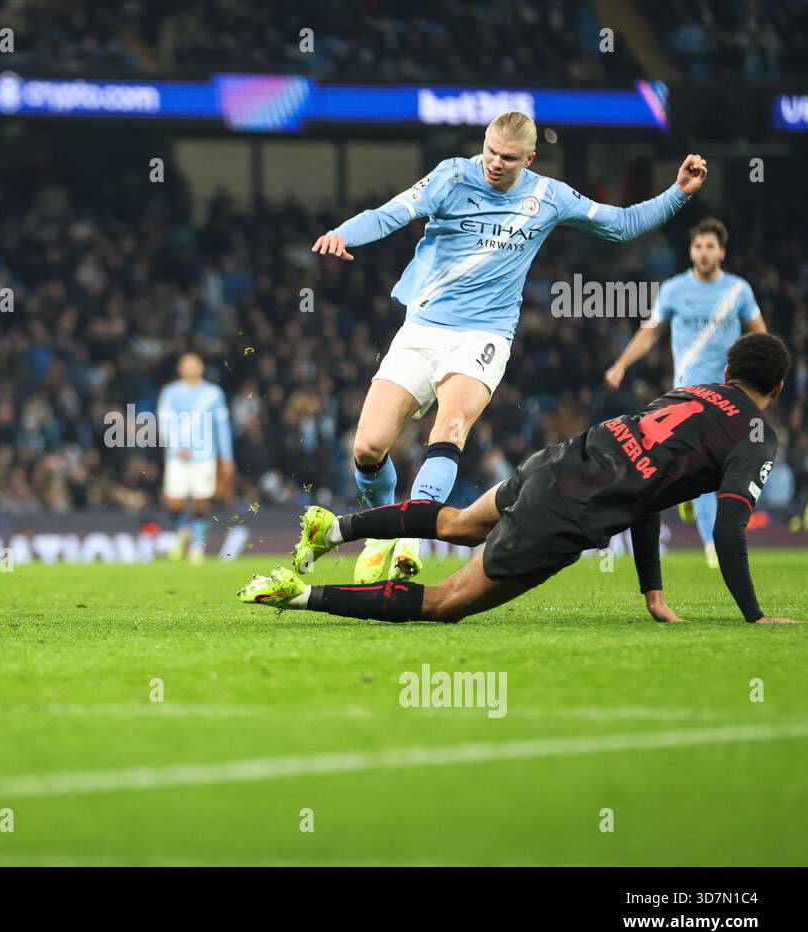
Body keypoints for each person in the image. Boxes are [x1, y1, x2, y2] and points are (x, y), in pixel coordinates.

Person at [312, 111, 707, 585]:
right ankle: (383, 531)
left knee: (451, 426)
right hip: (421, 328)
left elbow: (621, 224)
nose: (495, 163)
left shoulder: (548, 196)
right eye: (491, 151)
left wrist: (678, 192)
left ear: (530, 159)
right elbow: (389, 214)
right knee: (368, 446)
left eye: (508, 158)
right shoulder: (451, 177)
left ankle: (409, 541)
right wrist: (342, 234)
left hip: (483, 336)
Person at [240, 333, 796, 626]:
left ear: (726, 372)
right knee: (444, 602)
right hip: (571, 510)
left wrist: (653, 592)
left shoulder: (691, 393)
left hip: (559, 459)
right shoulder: (754, 435)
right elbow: (727, 529)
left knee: (457, 522)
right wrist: (754, 612)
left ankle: (334, 530)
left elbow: (648, 487)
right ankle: (302, 595)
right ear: (775, 391)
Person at [604, 217, 766, 569]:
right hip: (689, 394)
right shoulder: (674, 290)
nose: (704, 253)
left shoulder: (739, 290)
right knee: (709, 464)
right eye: (698, 246)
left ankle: (697, 512)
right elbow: (650, 333)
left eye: (710, 247)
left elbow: (759, 333)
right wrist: (621, 364)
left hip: (729, 393)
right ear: (691, 251)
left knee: (721, 467)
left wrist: (765, 376)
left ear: (721, 252)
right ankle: (711, 540)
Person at [157, 353, 234, 563]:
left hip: (204, 456)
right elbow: (164, 422)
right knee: (174, 502)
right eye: (186, 364)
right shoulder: (170, 392)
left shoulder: (213, 393)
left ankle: (197, 544)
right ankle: (183, 531)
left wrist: (227, 456)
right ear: (180, 369)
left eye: (194, 364)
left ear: (201, 368)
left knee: (201, 502)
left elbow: (222, 426)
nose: (190, 368)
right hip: (177, 457)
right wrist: (175, 446)